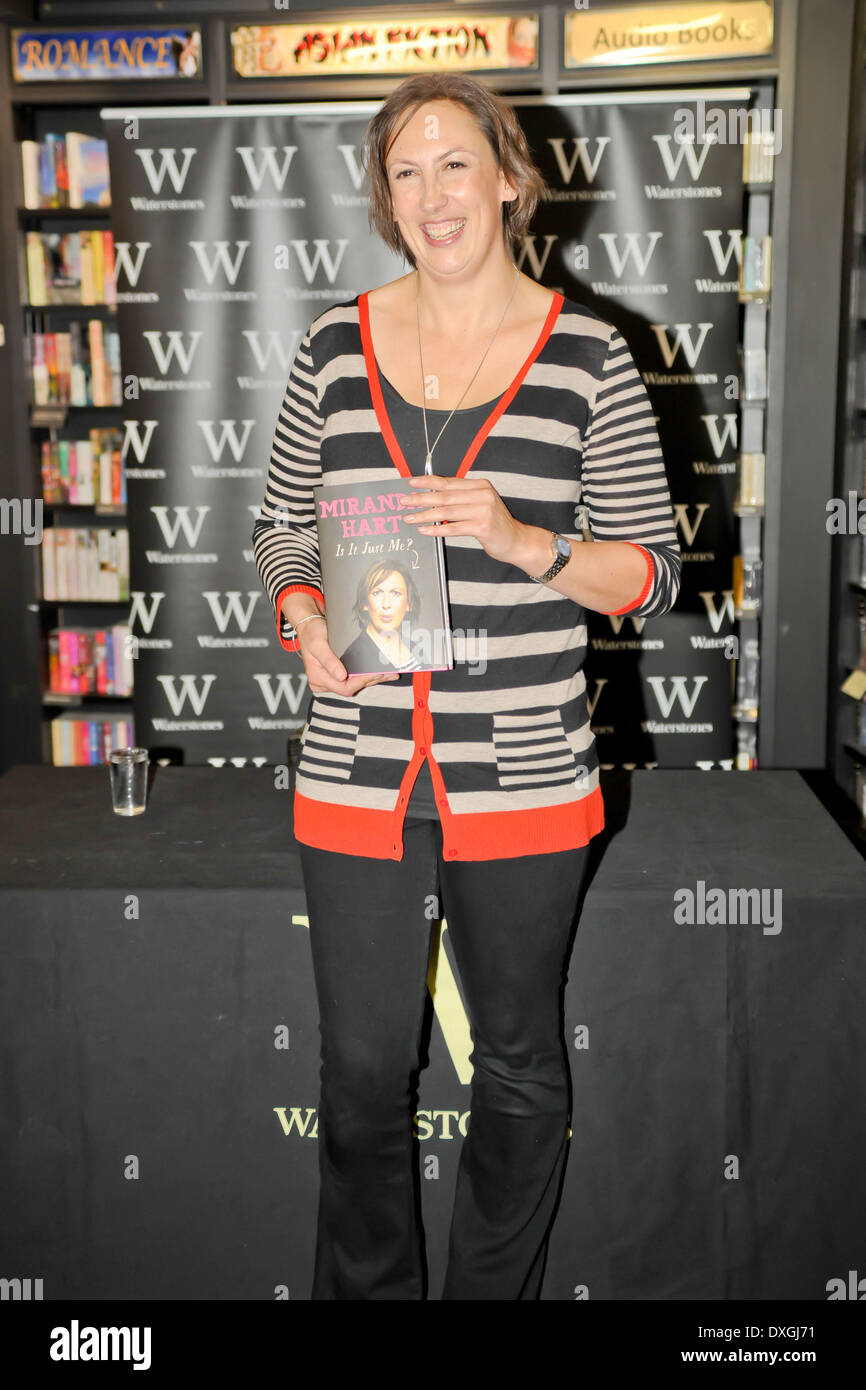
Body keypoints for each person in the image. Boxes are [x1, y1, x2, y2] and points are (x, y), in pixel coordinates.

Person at [252, 72, 681, 1300]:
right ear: (384, 201)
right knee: (357, 1074)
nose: (433, 193)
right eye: (405, 170)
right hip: (356, 766)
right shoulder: (334, 344)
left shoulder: (591, 354)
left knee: (517, 1066)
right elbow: (283, 523)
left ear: (507, 176)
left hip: (528, 773)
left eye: (455, 163)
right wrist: (299, 612)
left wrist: (522, 540)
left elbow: (646, 576)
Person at [339, 560, 422, 673]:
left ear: (409, 604)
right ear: (364, 603)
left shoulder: (418, 651)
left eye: (396, 593)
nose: (386, 604)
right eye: (377, 593)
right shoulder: (351, 661)